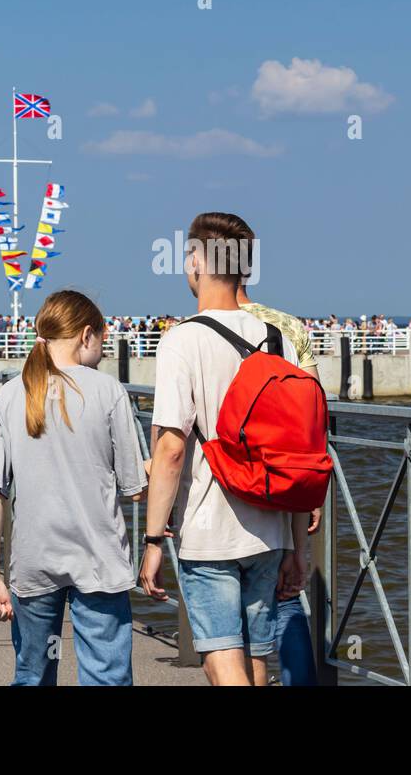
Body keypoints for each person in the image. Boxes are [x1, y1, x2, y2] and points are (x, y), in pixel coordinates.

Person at [140, 212, 302, 686]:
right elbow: (294, 447)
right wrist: (297, 544)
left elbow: (171, 449)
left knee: (221, 654)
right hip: (269, 523)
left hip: (209, 527)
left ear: (195, 261)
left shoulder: (182, 339)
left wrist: (153, 540)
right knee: (255, 657)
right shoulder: (279, 340)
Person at [0, 290, 146, 685]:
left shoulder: (10, 394)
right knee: (107, 677)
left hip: (33, 560)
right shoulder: (108, 391)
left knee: (32, 674)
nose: (101, 353)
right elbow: (133, 485)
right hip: (99, 558)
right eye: (102, 343)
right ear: (86, 335)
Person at [229, 214, 321, 686]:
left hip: (222, 492)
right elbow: (312, 422)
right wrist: (311, 498)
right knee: (286, 594)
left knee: (226, 616)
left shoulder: (190, 331)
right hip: (283, 484)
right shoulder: (288, 327)